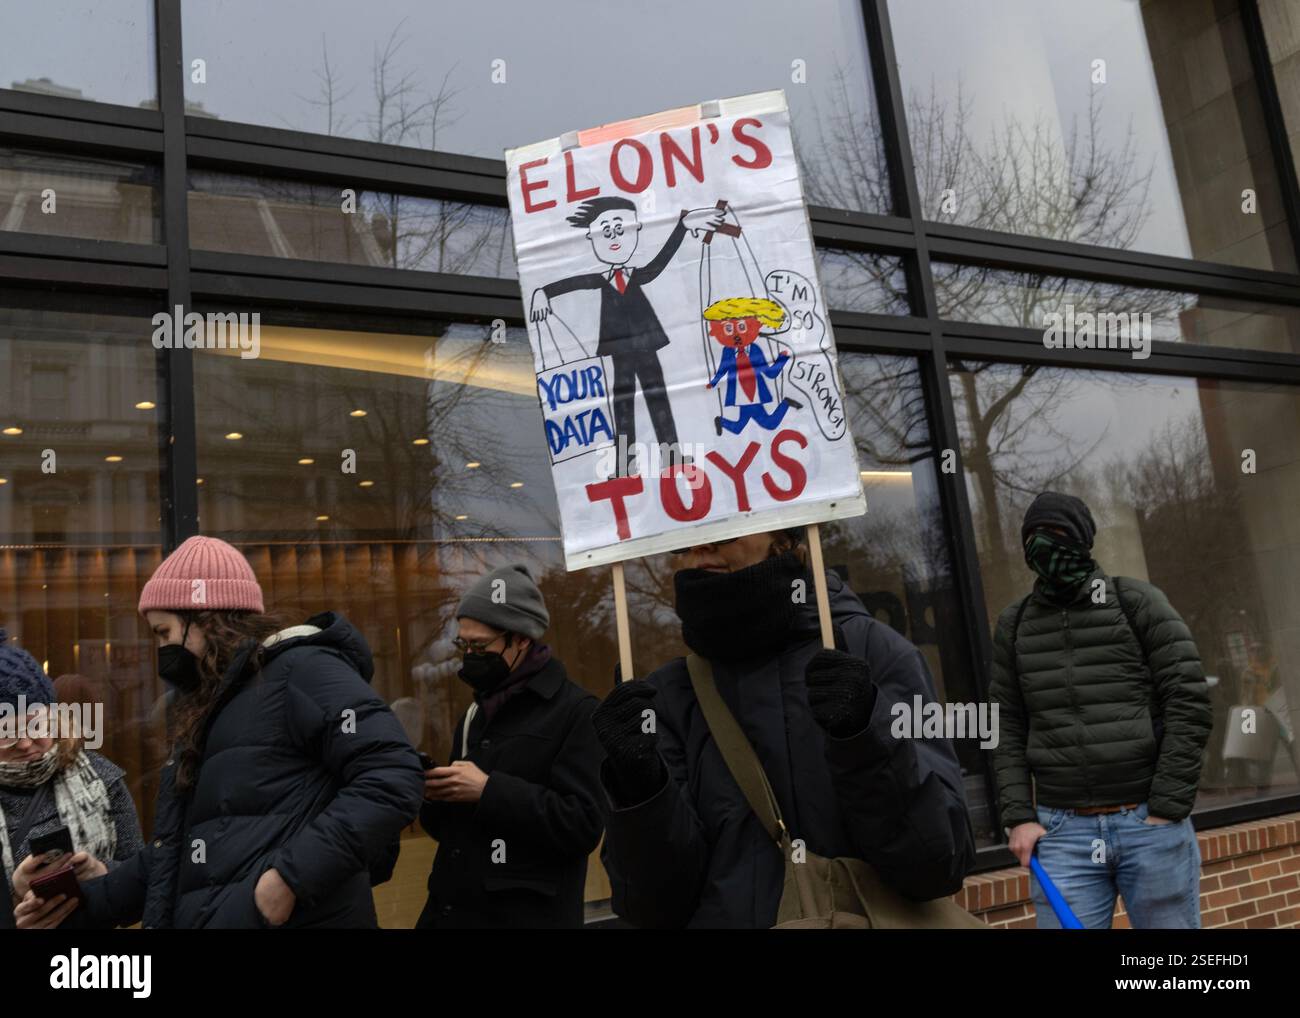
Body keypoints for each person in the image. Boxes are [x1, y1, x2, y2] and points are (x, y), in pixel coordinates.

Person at [14, 535, 424, 929]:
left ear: (205, 618)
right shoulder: (213, 706)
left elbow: (392, 776)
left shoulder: (304, 672)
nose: (162, 651)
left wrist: (286, 882)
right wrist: (75, 907)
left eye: (165, 633)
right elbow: (178, 852)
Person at [593, 528, 975, 927]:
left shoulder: (871, 654)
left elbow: (939, 863)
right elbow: (651, 908)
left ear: (782, 532)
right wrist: (640, 792)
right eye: (683, 533)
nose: (701, 544)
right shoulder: (668, 696)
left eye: (725, 524)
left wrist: (865, 738)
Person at [989, 492, 1212, 929]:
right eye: (1033, 537)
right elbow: (1004, 726)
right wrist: (1018, 816)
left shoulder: (1137, 603)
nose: (1043, 546)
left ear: (1081, 541)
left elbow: (1189, 699)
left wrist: (1166, 806)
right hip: (1062, 834)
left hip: (1148, 826)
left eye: (1055, 535)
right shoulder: (1014, 626)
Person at [417, 563, 603, 928]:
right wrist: (435, 795)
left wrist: (488, 790)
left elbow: (582, 824)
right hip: (450, 911)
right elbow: (452, 832)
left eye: (480, 645)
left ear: (521, 639)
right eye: (463, 644)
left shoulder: (576, 711)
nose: (469, 655)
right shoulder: (475, 712)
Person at [530, 197, 725, 472]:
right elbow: (574, 283)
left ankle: (671, 453)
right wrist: (542, 293)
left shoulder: (637, 274)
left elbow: (661, 261)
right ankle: (625, 461)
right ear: (592, 237)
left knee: (658, 397)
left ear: (636, 230)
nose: (614, 238)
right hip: (619, 349)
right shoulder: (600, 280)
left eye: (621, 229)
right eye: (605, 231)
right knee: (622, 402)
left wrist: (682, 226)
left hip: (647, 345)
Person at [2, 638, 142, 930]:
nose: (26, 743)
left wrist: (101, 872)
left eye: (36, 724)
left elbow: (144, 881)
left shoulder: (103, 778)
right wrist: (14, 895)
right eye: (8, 732)